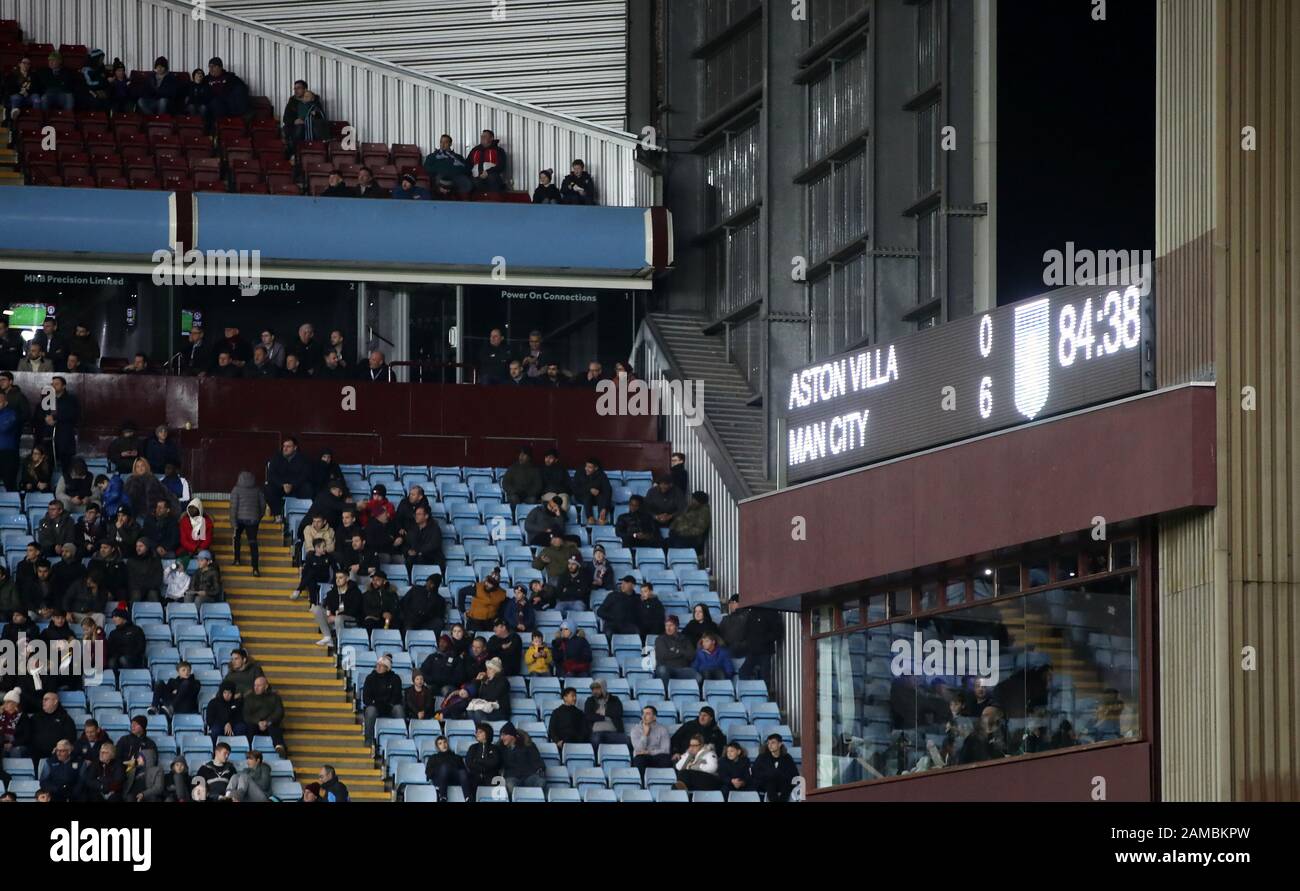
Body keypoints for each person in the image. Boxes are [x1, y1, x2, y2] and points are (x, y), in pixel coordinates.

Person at [265, 437, 314, 520]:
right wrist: (282, 484)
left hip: (297, 488)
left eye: (288, 446)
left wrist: (292, 485)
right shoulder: (276, 458)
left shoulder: (303, 459)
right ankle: (278, 514)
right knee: (268, 489)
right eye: (284, 446)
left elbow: (305, 476)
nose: (285, 448)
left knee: (308, 488)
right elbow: (272, 475)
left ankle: (304, 515)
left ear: (295, 447)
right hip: (281, 487)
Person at [229, 470, 267, 575]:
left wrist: (233, 522)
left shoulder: (236, 490)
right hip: (253, 520)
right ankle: (255, 568)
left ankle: (237, 560)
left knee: (237, 538)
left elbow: (233, 507)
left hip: (239, 519)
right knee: (253, 542)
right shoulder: (257, 490)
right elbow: (263, 505)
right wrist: (259, 517)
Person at [41, 376, 80, 477]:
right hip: (50, 437)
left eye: (57, 384)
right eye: (52, 384)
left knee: (67, 467)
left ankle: (67, 487)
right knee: (47, 465)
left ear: (64, 386)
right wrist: (46, 419)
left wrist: (55, 418)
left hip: (65, 437)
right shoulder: (47, 399)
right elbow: (40, 413)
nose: (53, 386)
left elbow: (74, 415)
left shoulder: (71, 399)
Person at [362, 655, 404, 745]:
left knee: (399, 709)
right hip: (375, 706)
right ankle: (369, 740)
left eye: (381, 665)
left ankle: (401, 739)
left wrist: (389, 704)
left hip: (389, 706)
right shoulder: (370, 678)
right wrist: (375, 703)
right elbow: (366, 698)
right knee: (370, 711)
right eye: (378, 664)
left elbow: (397, 696)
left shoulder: (395, 678)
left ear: (387, 668)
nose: (378, 667)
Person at [243, 675, 288, 756]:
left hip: (270, 724)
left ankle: (279, 747)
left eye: (259, 685)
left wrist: (267, 722)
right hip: (255, 725)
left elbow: (279, 713)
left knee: (274, 725)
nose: (256, 688)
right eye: (255, 685)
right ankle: (250, 751)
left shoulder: (275, 697)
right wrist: (258, 722)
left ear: (266, 686)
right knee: (250, 727)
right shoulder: (249, 698)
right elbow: (246, 715)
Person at [751, 733, 800, 802]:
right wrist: (770, 774)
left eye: (773, 743)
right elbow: (755, 772)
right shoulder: (762, 757)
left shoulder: (787, 757)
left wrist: (780, 774)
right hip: (766, 784)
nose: (770, 745)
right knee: (770, 783)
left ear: (780, 744)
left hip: (783, 784)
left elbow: (794, 774)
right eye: (768, 743)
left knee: (787, 786)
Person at [498, 723, 545, 792]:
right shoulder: (500, 748)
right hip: (511, 776)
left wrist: (540, 768)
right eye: (501, 735)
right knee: (510, 785)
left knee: (540, 782)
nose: (502, 738)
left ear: (512, 736)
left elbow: (537, 760)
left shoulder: (528, 745)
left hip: (528, 776)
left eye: (504, 735)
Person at [204, 57, 249, 127]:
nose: (211, 69)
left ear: (220, 67)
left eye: (213, 67)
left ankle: (237, 120)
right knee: (215, 102)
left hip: (230, 103)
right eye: (209, 67)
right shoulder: (206, 79)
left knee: (239, 89)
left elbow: (243, 88)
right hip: (215, 105)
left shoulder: (230, 77)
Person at [424, 735, 469, 801]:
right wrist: (439, 771)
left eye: (445, 742)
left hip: (454, 779)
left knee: (462, 772)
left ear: (447, 743)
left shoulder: (457, 757)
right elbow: (428, 772)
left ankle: (468, 798)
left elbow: (463, 771)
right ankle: (443, 797)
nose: (443, 745)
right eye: (440, 743)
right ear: (437, 747)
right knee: (445, 767)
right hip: (439, 779)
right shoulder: (433, 758)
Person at [463, 723, 502, 800]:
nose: (477, 734)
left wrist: (478, 760)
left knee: (497, 782)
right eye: (476, 732)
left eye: (480, 732)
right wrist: (484, 765)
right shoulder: (473, 748)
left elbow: (495, 762)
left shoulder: (495, 748)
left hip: (491, 776)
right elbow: (469, 763)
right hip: (475, 776)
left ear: (487, 733)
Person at [655, 615, 699, 682]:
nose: (668, 628)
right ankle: (666, 692)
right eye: (666, 625)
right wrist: (682, 653)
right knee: (662, 670)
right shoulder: (660, 639)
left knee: (698, 677)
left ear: (677, 626)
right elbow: (663, 655)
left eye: (671, 625)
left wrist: (677, 650)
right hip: (667, 668)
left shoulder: (685, 639)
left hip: (682, 669)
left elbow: (692, 655)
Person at [294, 536, 338, 604]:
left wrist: (334, 581)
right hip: (312, 578)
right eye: (323, 547)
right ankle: (313, 604)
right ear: (317, 548)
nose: (325, 549)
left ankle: (299, 590)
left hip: (324, 577)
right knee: (311, 580)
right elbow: (305, 571)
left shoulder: (329, 556)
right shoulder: (310, 556)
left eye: (325, 546)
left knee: (311, 572)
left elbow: (335, 569)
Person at [462, 568, 507, 633]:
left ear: (496, 586)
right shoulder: (477, 587)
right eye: (487, 581)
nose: (487, 584)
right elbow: (462, 592)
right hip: (475, 621)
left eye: (490, 583)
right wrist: (462, 610)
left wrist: (498, 618)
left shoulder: (502, 593)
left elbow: (502, 608)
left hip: (490, 622)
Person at [631, 704, 673, 773]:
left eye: (647, 714)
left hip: (657, 756)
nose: (644, 716)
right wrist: (645, 734)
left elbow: (666, 750)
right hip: (642, 757)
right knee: (639, 760)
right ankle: (642, 782)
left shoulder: (662, 729)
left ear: (654, 717)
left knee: (666, 760)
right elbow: (639, 749)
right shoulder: (635, 730)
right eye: (643, 714)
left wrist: (650, 752)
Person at [583, 678, 626, 746]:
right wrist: (605, 718)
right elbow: (588, 716)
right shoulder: (590, 701)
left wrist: (603, 712)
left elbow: (618, 712)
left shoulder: (614, 699)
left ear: (603, 688)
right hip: (596, 732)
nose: (594, 691)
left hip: (614, 732)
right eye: (593, 689)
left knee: (628, 740)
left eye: (597, 689)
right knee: (596, 740)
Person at [571, 457, 613, 525]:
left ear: (596, 468)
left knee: (600, 495)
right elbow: (575, 489)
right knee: (587, 495)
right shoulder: (579, 472)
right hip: (581, 497)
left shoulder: (602, 475)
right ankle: (590, 517)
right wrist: (589, 489)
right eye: (586, 466)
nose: (586, 469)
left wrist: (605, 508)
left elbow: (608, 491)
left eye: (590, 467)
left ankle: (601, 518)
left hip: (596, 499)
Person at [467, 128, 507, 193]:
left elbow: (501, 166)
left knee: (492, 177)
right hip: (476, 177)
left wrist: (488, 172)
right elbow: (468, 164)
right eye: (481, 136)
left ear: (491, 138)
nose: (482, 138)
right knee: (470, 181)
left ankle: (494, 200)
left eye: (485, 136)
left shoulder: (499, 150)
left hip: (492, 177)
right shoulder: (475, 150)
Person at [4, 56, 36, 120]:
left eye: (28, 64)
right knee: (16, 98)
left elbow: (37, 87)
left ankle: (36, 117)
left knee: (36, 99)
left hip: (29, 96)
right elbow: (9, 88)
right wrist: (20, 92)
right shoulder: (13, 75)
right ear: (19, 64)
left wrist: (28, 93)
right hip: (17, 95)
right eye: (24, 63)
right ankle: (14, 116)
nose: (26, 65)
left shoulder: (33, 75)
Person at [0, 391, 19, 492]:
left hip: (7, 453)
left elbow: (4, 428)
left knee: (10, 484)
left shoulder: (11, 414)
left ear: (5, 403)